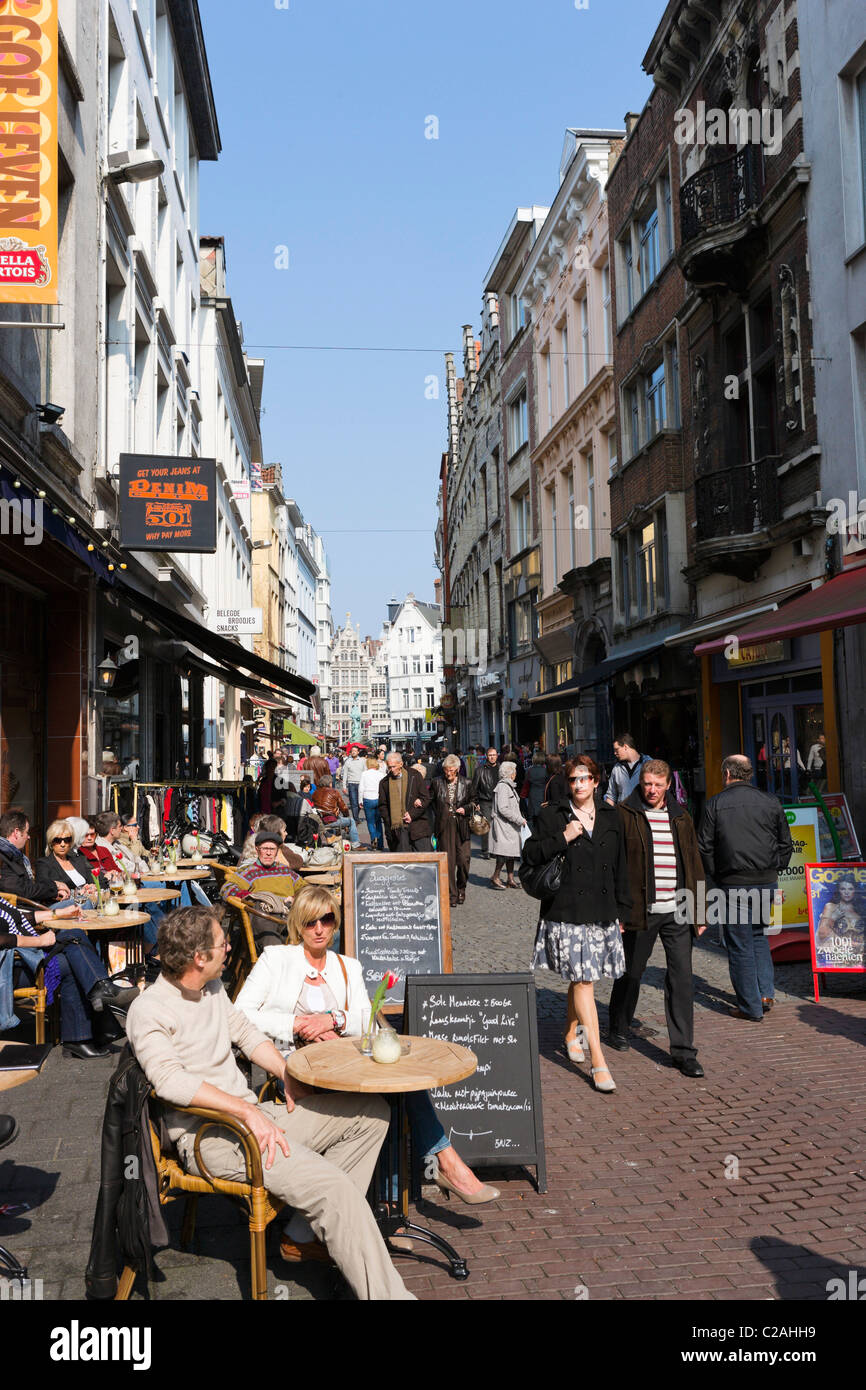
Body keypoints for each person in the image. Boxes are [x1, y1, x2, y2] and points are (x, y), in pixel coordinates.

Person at [124, 905, 414, 1298]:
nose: (229, 947)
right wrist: (244, 1110)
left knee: (371, 1114)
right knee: (335, 1190)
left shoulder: (210, 988)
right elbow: (171, 1081)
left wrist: (285, 1074)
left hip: (253, 1117)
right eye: (221, 942)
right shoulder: (150, 1009)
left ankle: (301, 1234)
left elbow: (245, 1032)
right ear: (199, 957)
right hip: (211, 1138)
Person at [236, 886, 498, 1211]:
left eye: (327, 920)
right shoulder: (277, 960)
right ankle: (422, 1182)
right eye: (309, 922)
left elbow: (368, 1022)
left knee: (402, 1085)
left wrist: (334, 1019)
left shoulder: (347, 965)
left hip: (344, 1064)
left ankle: (393, 1202)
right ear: (297, 924)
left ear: (335, 923)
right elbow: (240, 1014)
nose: (319, 929)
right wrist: (298, 1025)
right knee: (391, 1098)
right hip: (292, 1068)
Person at [522, 755, 631, 1093]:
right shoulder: (553, 814)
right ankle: (598, 1060)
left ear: (596, 781)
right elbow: (530, 854)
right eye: (573, 780)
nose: (579, 785)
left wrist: (622, 910)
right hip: (566, 909)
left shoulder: (613, 816)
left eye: (585, 778)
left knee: (581, 977)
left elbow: (620, 865)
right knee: (584, 978)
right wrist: (563, 837)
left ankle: (571, 1033)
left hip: (600, 909)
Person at [608, 760, 707, 1077]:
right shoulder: (625, 814)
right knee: (632, 973)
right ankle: (619, 1024)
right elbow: (614, 864)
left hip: (677, 911)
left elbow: (694, 863)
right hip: (641, 909)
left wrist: (700, 911)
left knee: (681, 979)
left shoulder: (681, 817)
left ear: (667, 786)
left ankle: (683, 1051)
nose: (651, 790)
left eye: (657, 785)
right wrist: (617, 910)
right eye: (647, 783)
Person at [698, 754, 793, 1021]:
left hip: (734, 883)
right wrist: (775, 868)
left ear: (727, 774)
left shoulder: (715, 804)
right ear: (749, 774)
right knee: (759, 936)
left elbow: (704, 846)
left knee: (739, 944)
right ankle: (764, 994)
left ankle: (751, 1005)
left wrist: (716, 877)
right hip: (765, 881)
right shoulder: (770, 801)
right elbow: (786, 844)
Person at [0, 894, 138, 1059]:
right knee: (72, 959)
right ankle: (91, 1021)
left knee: (74, 935)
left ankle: (99, 995)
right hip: (13, 969)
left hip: (28, 955)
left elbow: (22, 918)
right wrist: (40, 941)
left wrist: (59, 913)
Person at [0, 810, 70, 906]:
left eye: (67, 840)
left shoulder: (14, 856)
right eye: (27, 832)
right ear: (16, 832)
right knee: (80, 904)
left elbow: (28, 887)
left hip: (33, 907)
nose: (28, 837)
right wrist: (55, 886)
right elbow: (22, 891)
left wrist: (53, 892)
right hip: (24, 913)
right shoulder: (4, 858)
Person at [430, 755, 472, 906]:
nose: (448, 774)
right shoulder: (437, 782)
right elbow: (431, 801)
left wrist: (465, 809)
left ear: (458, 770)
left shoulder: (467, 783)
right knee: (448, 862)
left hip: (461, 825)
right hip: (444, 826)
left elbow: (474, 802)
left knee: (463, 860)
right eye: (446, 771)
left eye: (452, 771)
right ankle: (451, 895)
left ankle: (461, 888)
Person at [378, 753, 433, 853]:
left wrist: (412, 814)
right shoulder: (384, 782)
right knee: (403, 864)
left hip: (417, 826)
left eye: (394, 766)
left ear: (401, 764)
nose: (392, 769)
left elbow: (426, 798)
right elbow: (382, 805)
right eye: (389, 767)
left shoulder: (414, 775)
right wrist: (388, 820)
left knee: (422, 861)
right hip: (397, 829)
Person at [36, 820, 102, 901]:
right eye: (57, 840)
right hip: (63, 907)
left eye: (67, 840)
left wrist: (92, 887)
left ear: (71, 842)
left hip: (87, 903)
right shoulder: (44, 863)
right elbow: (43, 885)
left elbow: (99, 879)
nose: (63, 844)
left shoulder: (80, 860)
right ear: (51, 842)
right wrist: (77, 892)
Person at [815, 874, 866, 967]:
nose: (847, 892)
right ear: (838, 890)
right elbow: (822, 933)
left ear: (855, 890)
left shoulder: (860, 909)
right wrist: (834, 917)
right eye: (843, 889)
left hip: (860, 958)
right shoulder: (831, 907)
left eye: (850, 889)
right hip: (840, 957)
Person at [489, 763, 525, 890]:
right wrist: (519, 819)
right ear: (511, 773)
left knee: (511, 853)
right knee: (503, 853)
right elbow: (503, 808)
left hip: (509, 826)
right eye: (514, 771)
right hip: (504, 825)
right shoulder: (504, 787)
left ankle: (510, 878)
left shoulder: (508, 786)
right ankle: (495, 876)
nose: (515, 773)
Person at [603, 733, 652, 806]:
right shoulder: (616, 769)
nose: (615, 753)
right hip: (622, 814)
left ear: (625, 747)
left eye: (617, 749)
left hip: (643, 814)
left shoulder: (649, 764)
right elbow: (611, 796)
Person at [311, 776, 360, 847]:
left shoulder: (315, 793)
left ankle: (332, 840)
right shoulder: (334, 792)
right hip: (331, 820)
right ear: (330, 783)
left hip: (320, 821)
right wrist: (346, 815)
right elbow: (343, 807)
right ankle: (356, 844)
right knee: (351, 821)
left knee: (333, 818)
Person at [470, 747, 499, 859]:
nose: (492, 757)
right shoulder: (480, 770)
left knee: (497, 826)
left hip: (498, 801)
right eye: (490, 755)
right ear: (487, 756)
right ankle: (486, 849)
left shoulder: (501, 768)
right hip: (485, 801)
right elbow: (474, 788)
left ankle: (496, 849)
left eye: (494, 755)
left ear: (497, 756)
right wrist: (475, 802)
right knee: (486, 825)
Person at [358, 756, 386, 851]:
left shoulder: (364, 774)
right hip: (378, 798)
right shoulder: (381, 774)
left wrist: (360, 800)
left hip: (367, 798)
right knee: (378, 822)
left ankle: (373, 837)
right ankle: (380, 843)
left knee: (370, 822)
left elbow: (361, 788)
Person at [340, 748, 367, 825]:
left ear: (358, 752)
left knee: (360, 802)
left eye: (355, 751)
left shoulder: (362, 761)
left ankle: (356, 816)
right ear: (351, 752)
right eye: (352, 751)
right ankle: (355, 819)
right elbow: (345, 774)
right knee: (353, 802)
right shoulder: (348, 761)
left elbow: (365, 773)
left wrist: (366, 784)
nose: (353, 752)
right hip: (351, 784)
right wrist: (344, 786)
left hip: (360, 784)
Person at [523, 752, 549, 826]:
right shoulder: (546, 770)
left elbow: (526, 782)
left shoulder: (529, 770)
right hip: (543, 793)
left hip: (532, 793)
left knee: (532, 815)